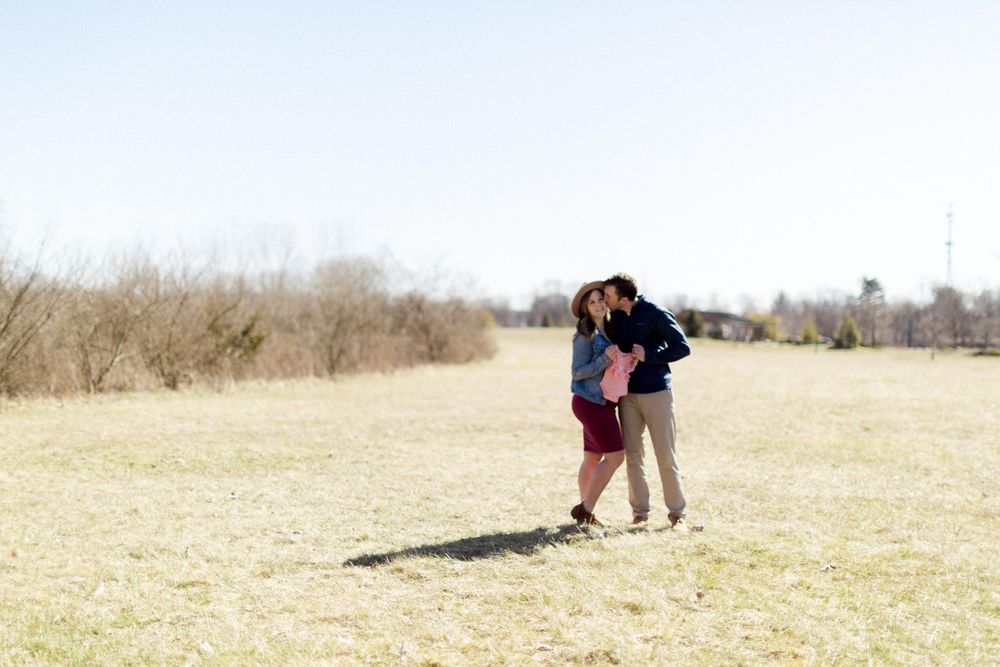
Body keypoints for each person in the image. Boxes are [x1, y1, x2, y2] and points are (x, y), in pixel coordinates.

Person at [603, 273, 692, 530]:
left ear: (624, 297)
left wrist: (649, 355)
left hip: (657, 394)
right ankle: (639, 514)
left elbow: (682, 347)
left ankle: (677, 515)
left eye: (609, 296)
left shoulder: (655, 313)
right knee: (633, 455)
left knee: (665, 455)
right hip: (627, 396)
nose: (606, 301)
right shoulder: (615, 318)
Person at [569, 281, 626, 526]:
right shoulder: (585, 335)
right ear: (586, 308)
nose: (599, 304)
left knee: (592, 458)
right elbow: (577, 372)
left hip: (603, 403)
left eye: (600, 299)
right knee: (616, 457)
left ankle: (586, 511)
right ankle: (586, 508)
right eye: (592, 302)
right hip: (589, 403)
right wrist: (605, 358)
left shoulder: (610, 330)